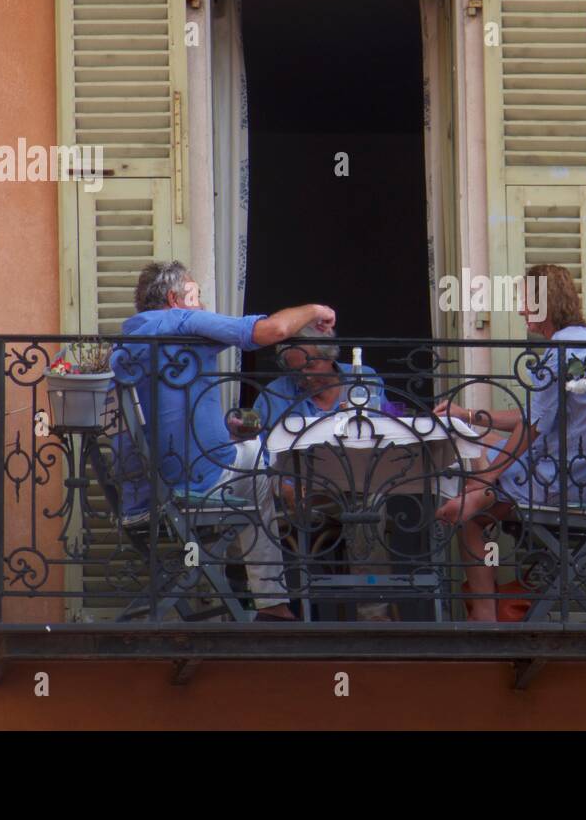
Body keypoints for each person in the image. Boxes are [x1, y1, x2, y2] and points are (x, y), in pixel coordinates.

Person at [110, 260, 334, 622]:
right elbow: (270, 330)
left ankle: (205, 575)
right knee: (260, 458)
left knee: (245, 462)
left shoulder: (125, 343)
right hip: (187, 483)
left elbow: (164, 418)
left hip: (142, 492)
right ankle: (271, 601)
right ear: (175, 298)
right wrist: (314, 310)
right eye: (196, 296)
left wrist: (222, 429)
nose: (201, 307)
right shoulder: (180, 320)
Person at [433, 264, 586, 621]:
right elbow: (532, 419)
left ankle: (485, 617)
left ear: (547, 303)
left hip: (568, 481)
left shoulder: (558, 354)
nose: (522, 309)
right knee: (477, 439)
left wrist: (479, 489)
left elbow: (532, 428)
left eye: (526, 300)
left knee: (469, 516)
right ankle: (480, 502)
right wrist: (468, 415)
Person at [257, 325, 384, 424]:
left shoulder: (364, 377)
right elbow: (261, 451)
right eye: (296, 370)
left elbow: (385, 430)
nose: (306, 376)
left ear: (330, 357)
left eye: (310, 366)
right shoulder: (274, 395)